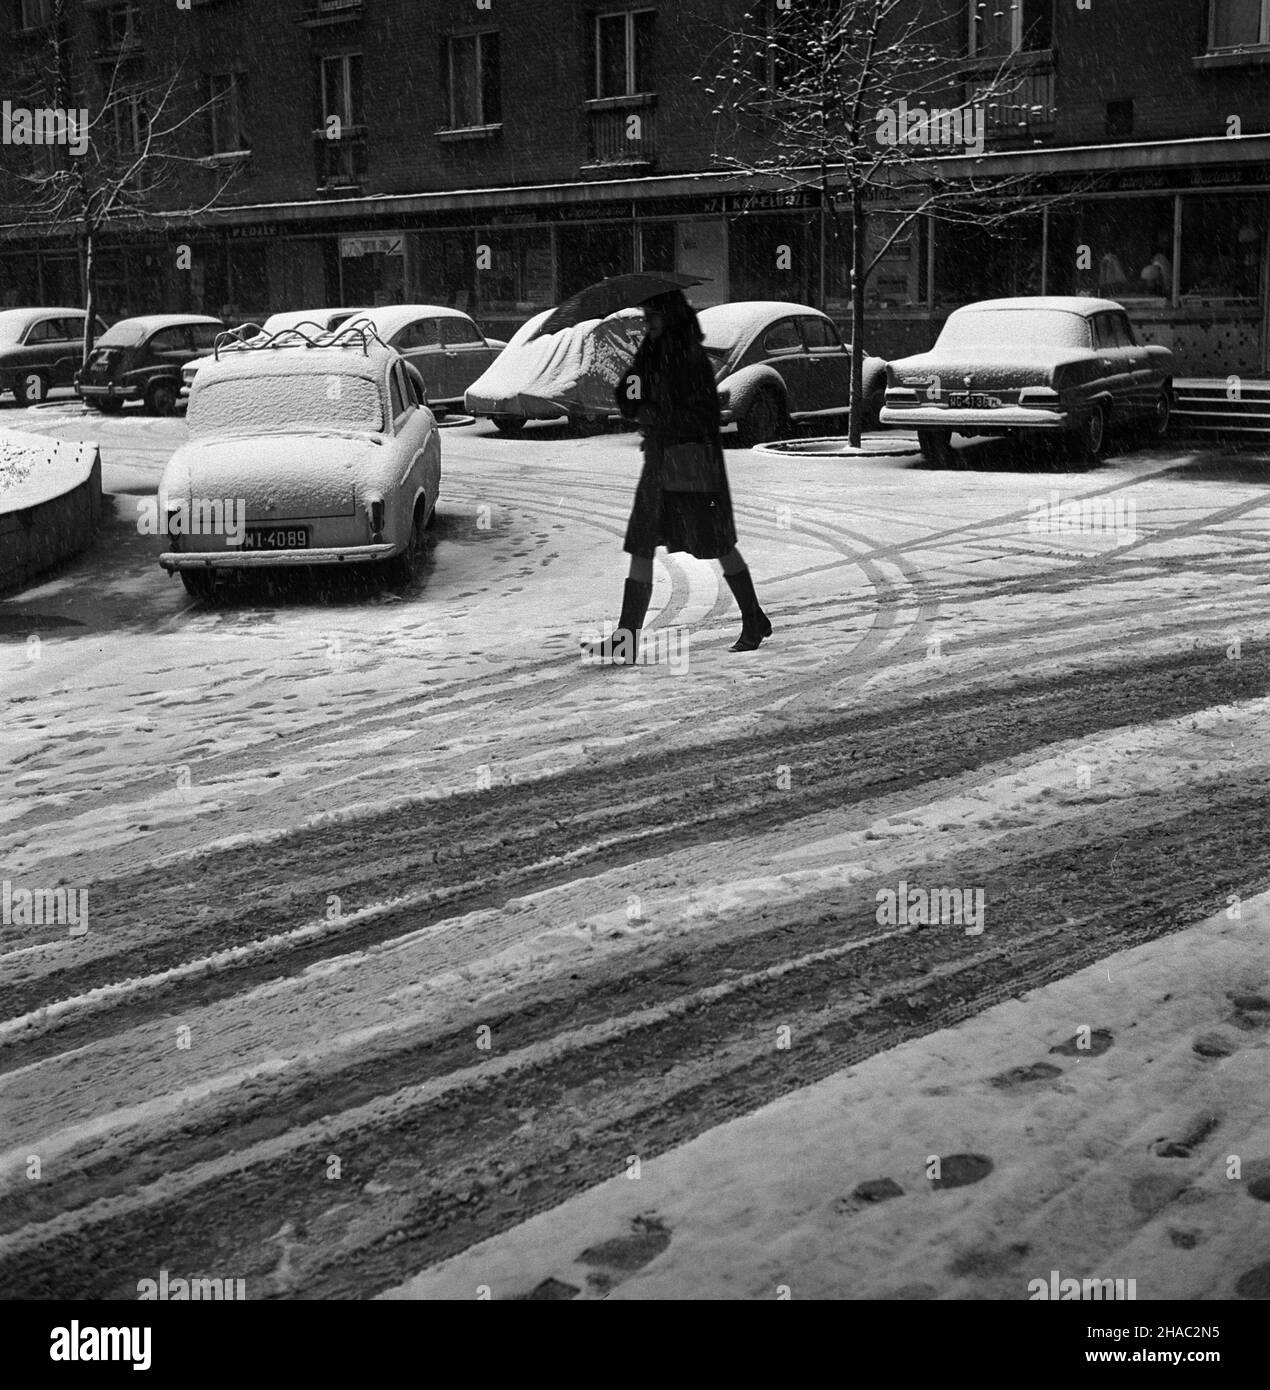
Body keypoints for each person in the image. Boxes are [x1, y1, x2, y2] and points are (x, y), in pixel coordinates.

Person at [583, 288, 771, 663]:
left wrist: (658, 415)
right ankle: (626, 640)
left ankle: (753, 617)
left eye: (649, 315)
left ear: (667, 315)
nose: (644, 321)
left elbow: (704, 416)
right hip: (659, 464)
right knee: (640, 544)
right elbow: (628, 398)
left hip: (692, 464)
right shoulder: (650, 354)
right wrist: (637, 377)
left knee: (718, 543)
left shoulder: (692, 358)